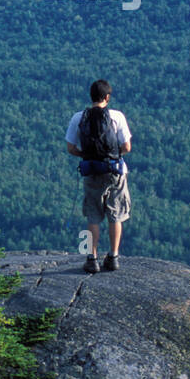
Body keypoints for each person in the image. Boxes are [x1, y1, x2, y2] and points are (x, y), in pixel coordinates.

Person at [65, 79, 132, 273]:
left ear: (91, 96)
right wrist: (112, 155)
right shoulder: (117, 116)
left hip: (91, 171)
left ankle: (92, 258)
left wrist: (87, 156)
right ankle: (113, 257)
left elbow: (70, 148)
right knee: (116, 214)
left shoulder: (78, 117)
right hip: (115, 172)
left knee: (93, 216)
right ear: (107, 97)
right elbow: (127, 147)